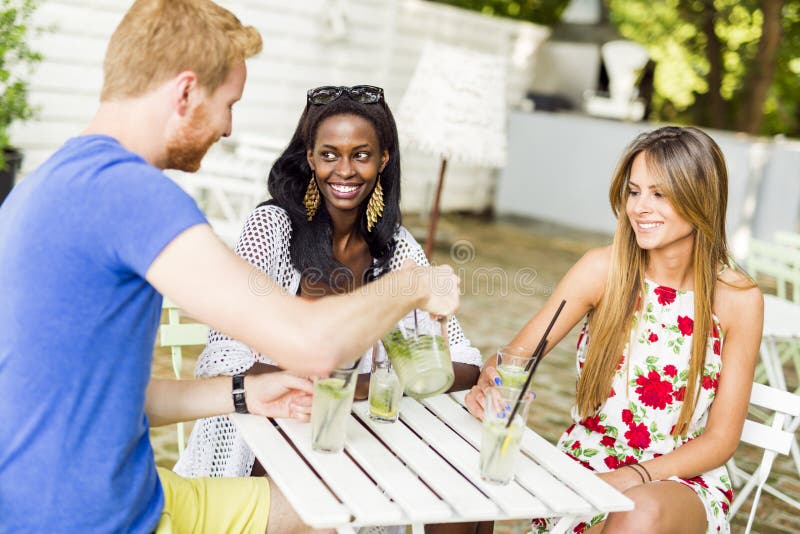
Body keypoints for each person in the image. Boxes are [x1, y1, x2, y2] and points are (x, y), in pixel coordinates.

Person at [0, 1, 460, 533]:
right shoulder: (132, 193)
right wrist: (412, 284)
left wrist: (243, 391)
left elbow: (113, 395)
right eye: (229, 103)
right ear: (186, 91)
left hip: (127, 492)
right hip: (88, 520)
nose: (227, 127)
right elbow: (311, 345)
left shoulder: (47, 182)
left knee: (333, 509)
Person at [466, 126, 763, 534]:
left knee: (640, 511)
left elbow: (722, 439)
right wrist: (491, 381)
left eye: (660, 193)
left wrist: (636, 476)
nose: (640, 207)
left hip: (681, 479)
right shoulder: (602, 270)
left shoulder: (738, 298)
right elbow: (514, 358)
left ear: (701, 199)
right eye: (634, 191)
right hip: (586, 464)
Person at [175, 85, 481, 479]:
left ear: (383, 159)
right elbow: (222, 361)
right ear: (310, 157)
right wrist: (359, 385)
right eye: (330, 154)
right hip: (258, 445)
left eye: (362, 155)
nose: (345, 170)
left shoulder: (396, 249)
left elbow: (464, 363)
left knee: (457, 481)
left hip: (353, 447)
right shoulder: (272, 228)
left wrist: (355, 387)